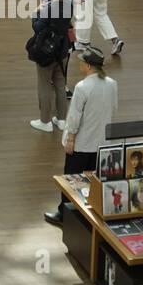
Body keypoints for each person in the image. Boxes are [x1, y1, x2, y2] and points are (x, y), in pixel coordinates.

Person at [44, 47, 118, 225]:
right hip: (101, 143)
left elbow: (75, 117)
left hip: (80, 144)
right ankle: (91, 213)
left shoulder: (83, 87)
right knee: (94, 180)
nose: (80, 64)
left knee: (71, 180)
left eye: (82, 62)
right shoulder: (111, 84)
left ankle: (65, 214)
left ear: (89, 66)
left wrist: (70, 139)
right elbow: (113, 108)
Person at [29, 0, 74, 133]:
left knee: (44, 83)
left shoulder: (49, 8)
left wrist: (35, 12)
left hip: (47, 49)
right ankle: (62, 119)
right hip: (63, 49)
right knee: (60, 83)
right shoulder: (68, 7)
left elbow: (37, 27)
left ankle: (45, 121)